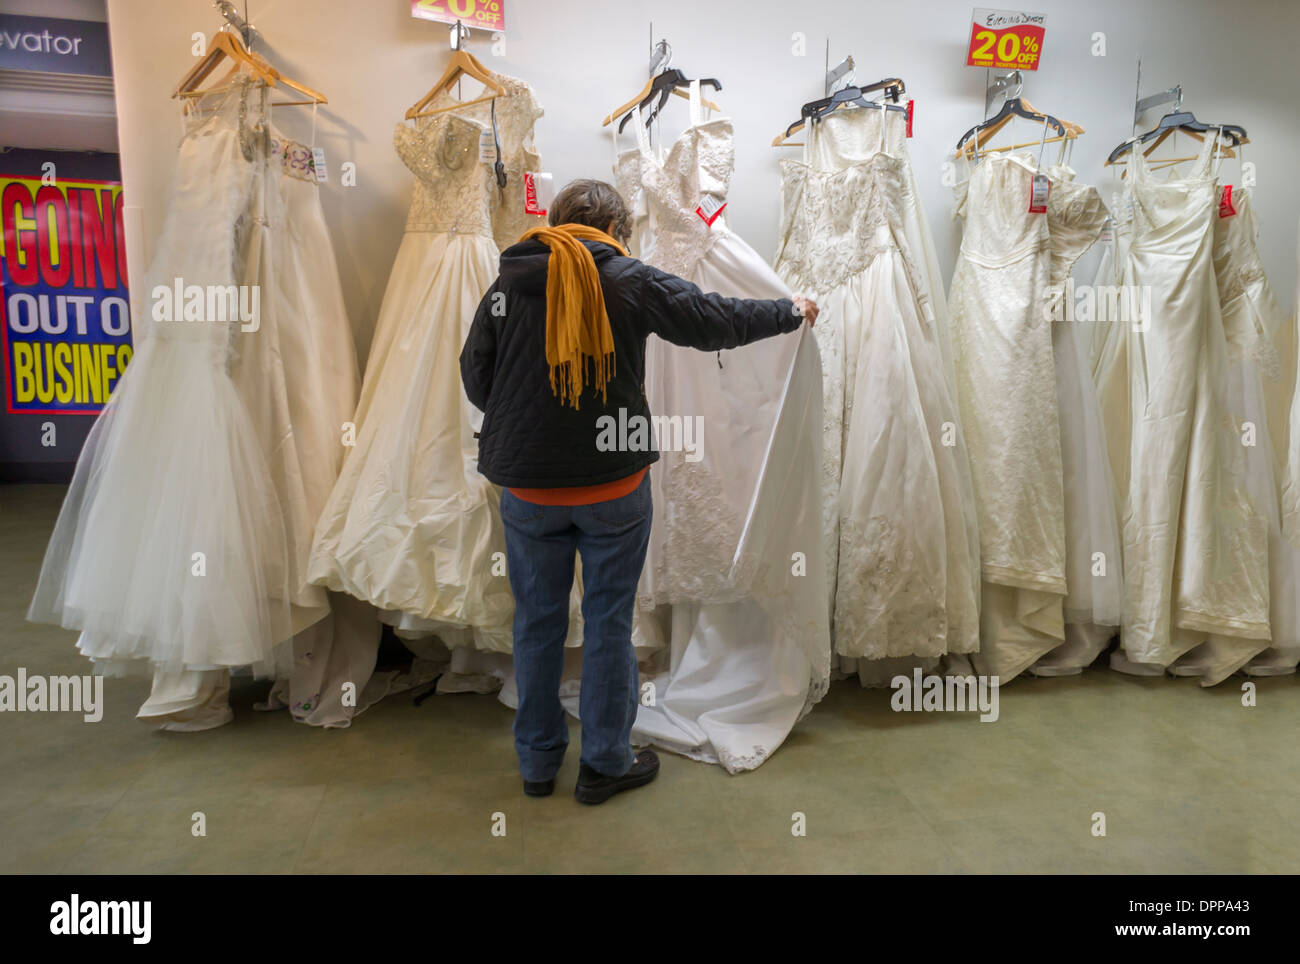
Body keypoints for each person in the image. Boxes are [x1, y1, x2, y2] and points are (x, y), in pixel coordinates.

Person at [460, 179, 818, 805]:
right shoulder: (628, 279)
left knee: (537, 622)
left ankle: (538, 765)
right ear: (616, 230)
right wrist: (790, 310)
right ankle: (604, 763)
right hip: (612, 485)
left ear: (557, 221)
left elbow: (476, 375)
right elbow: (715, 321)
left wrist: (525, 426)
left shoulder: (507, 284)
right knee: (606, 622)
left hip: (528, 491)